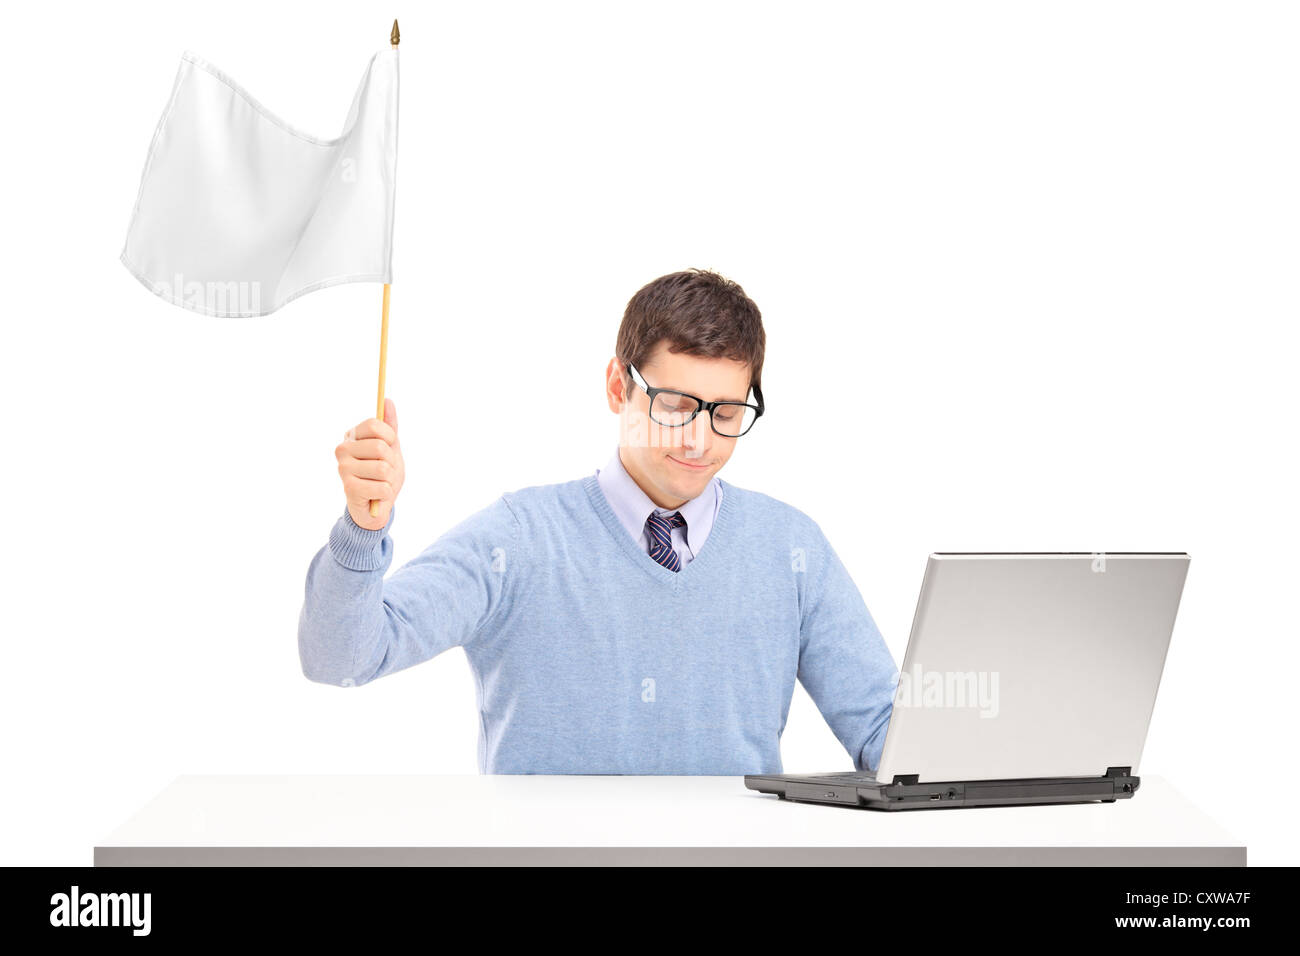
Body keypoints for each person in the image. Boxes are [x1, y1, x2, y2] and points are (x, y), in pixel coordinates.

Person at [298, 268, 898, 774]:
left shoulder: (790, 549)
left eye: (727, 412)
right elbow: (342, 658)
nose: (698, 440)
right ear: (618, 386)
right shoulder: (519, 539)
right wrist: (362, 530)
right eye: (676, 405)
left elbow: (884, 733)